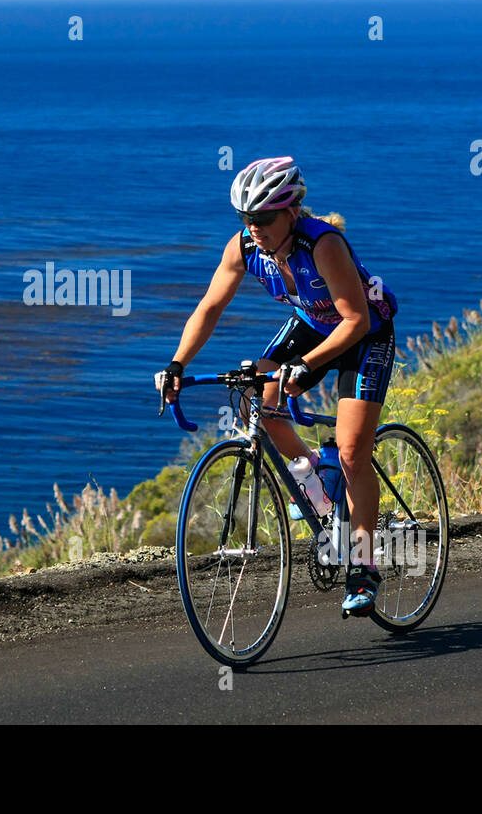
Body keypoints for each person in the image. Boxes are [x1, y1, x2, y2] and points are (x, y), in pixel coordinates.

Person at [156, 156, 399, 615]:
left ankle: (364, 565)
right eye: (246, 220)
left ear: (290, 211)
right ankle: (314, 485)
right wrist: (176, 364)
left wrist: (305, 366)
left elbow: (355, 319)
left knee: (352, 451)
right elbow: (210, 307)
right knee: (258, 406)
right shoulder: (245, 248)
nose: (254, 229)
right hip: (311, 324)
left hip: (363, 334)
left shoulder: (324, 245)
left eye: (263, 219)